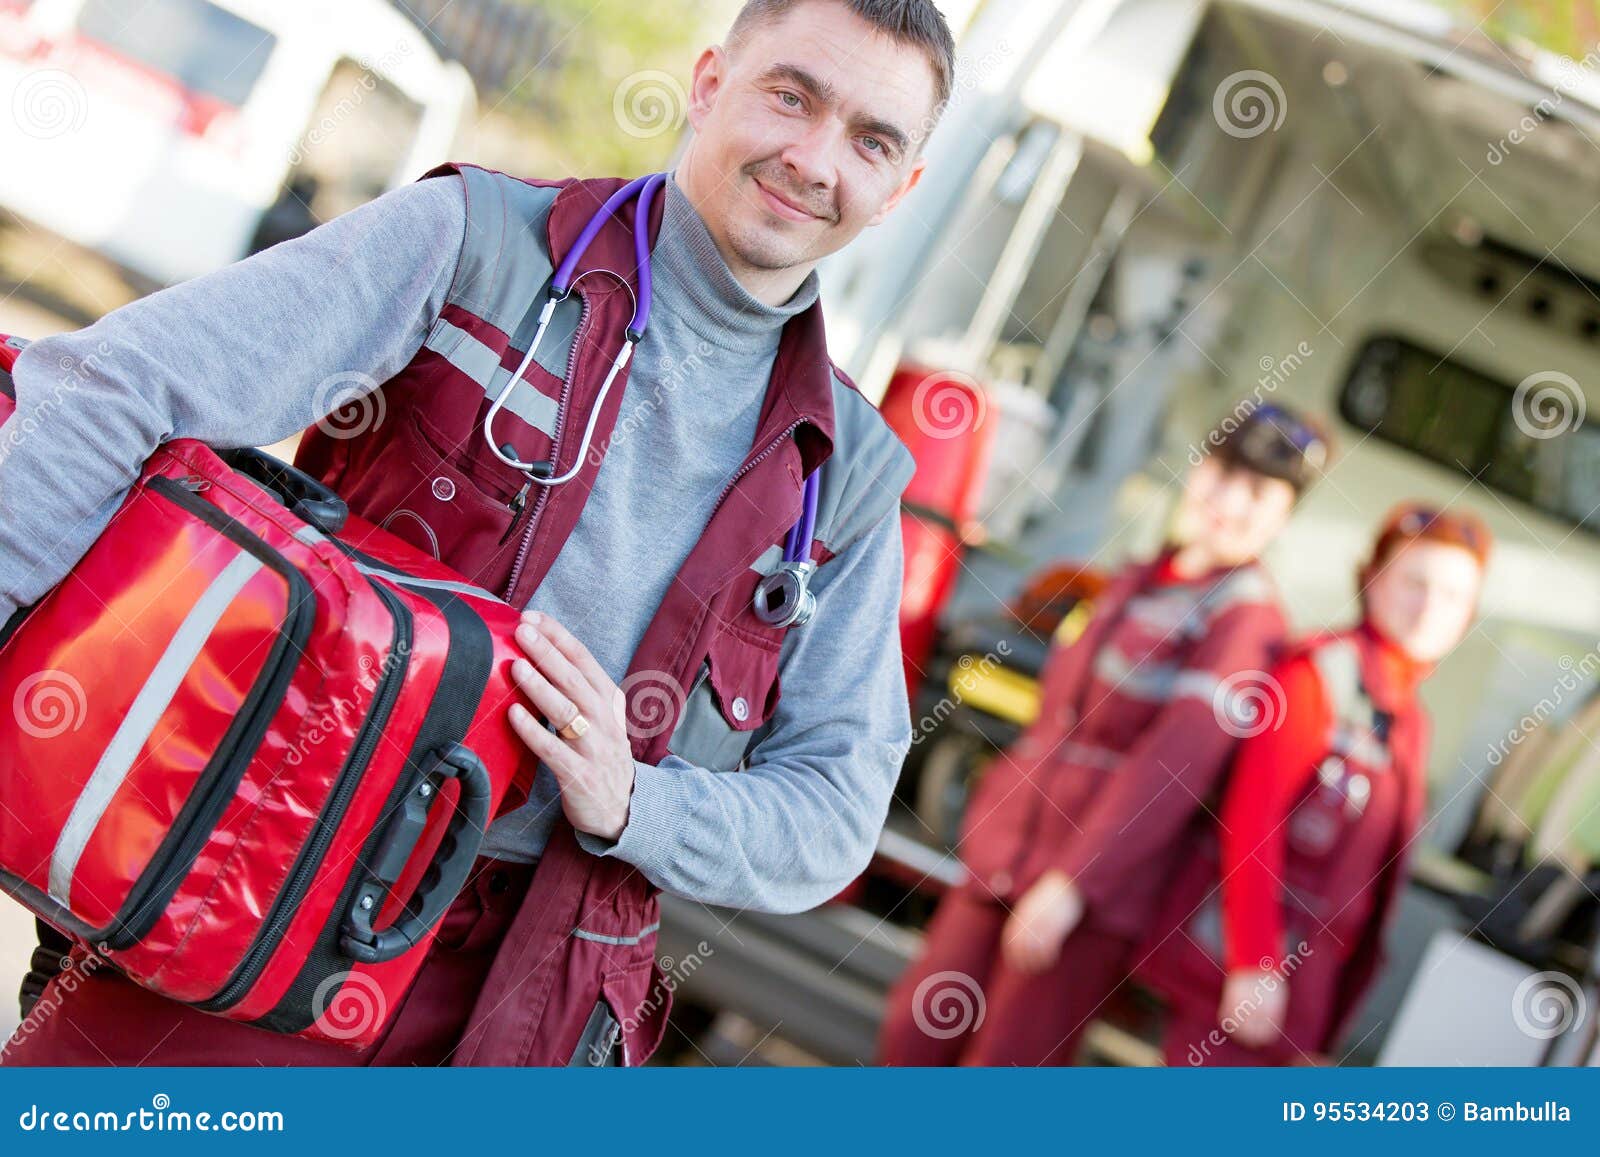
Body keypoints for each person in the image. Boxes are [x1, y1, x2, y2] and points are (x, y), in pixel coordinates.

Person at [0, 0, 956, 1066]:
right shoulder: (478, 246)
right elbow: (112, 385)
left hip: (526, 1004)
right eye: (791, 95)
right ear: (705, 84)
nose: (813, 158)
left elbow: (832, 812)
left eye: (871, 140)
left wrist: (637, 802)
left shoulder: (854, 478)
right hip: (258, 901)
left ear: (900, 189)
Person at [878, 403, 1329, 1066]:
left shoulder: (1245, 618)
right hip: (1007, 859)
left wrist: (1074, 885)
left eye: (1258, 490)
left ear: (1284, 515)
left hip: (1085, 897)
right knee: (913, 1037)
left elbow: (1171, 770)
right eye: (1222, 472)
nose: (1228, 499)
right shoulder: (1134, 580)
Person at [1143, 503, 1492, 1065]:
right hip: (1239, 981)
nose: (1430, 608)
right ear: (1371, 579)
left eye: (1453, 597)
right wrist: (1254, 963)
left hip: (1301, 996)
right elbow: (1251, 821)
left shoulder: (1408, 717)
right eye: (1414, 583)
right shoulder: (1317, 674)